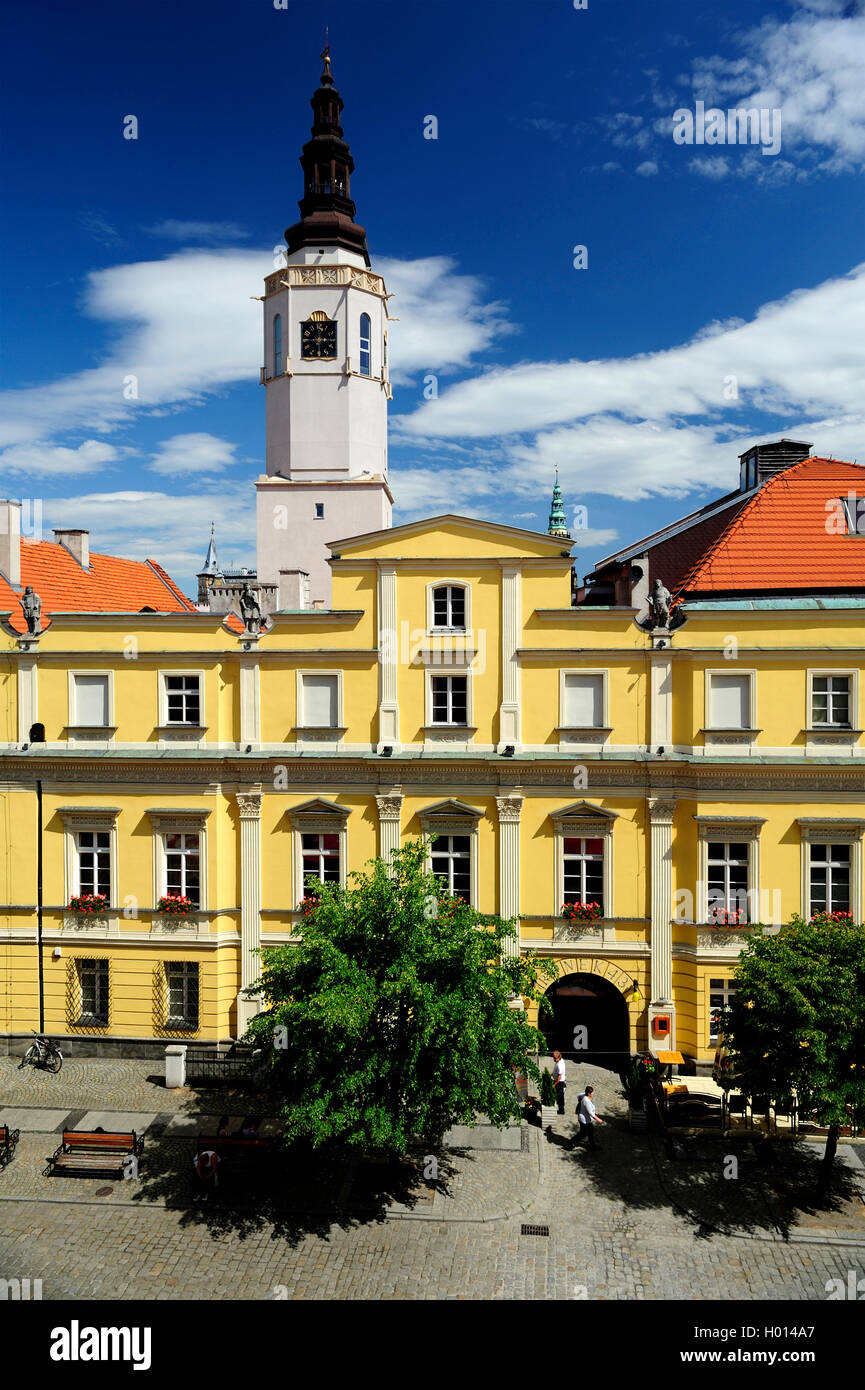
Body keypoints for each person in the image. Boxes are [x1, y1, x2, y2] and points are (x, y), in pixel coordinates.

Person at [572, 1084, 605, 1150]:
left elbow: (578, 1095)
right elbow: (591, 1114)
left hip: (586, 1120)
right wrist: (599, 1120)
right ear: (589, 1093)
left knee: (590, 1132)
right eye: (592, 1092)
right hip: (584, 1120)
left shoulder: (584, 1095)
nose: (593, 1093)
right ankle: (570, 1143)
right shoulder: (586, 1101)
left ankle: (593, 1145)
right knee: (582, 1134)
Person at [552, 1050, 567, 1116]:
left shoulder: (560, 1065)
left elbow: (559, 1077)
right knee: (560, 1097)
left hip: (559, 1083)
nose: (553, 1058)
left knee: (558, 1097)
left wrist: (554, 1084)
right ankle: (561, 1109)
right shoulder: (560, 1060)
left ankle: (561, 1110)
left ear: (558, 1057)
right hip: (559, 1082)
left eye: (554, 1057)